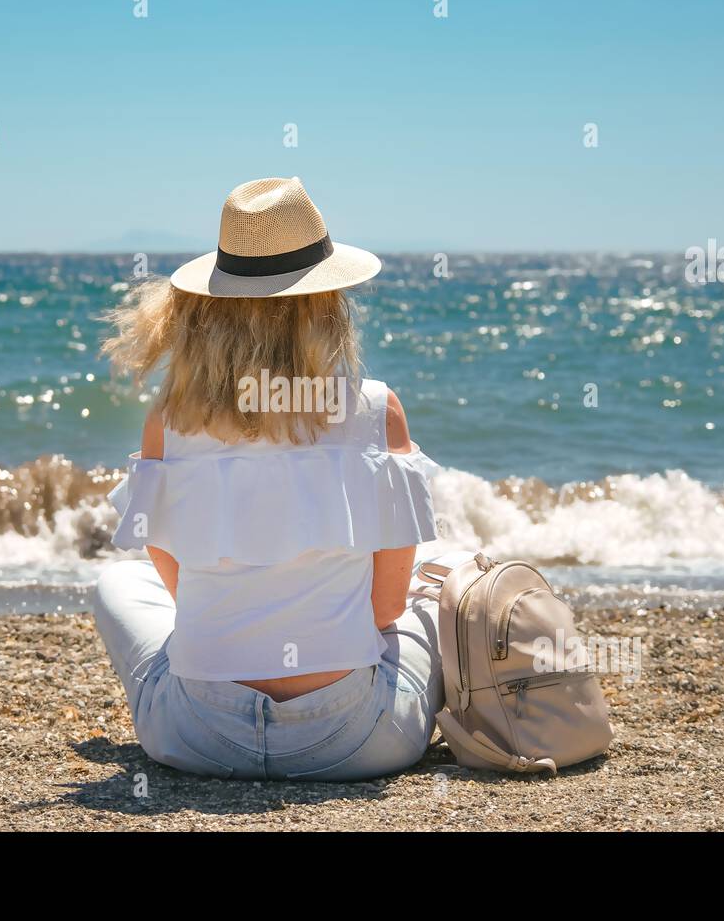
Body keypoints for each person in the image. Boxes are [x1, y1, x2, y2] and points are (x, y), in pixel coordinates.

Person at [95, 176, 469, 780]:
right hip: (355, 743)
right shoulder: (376, 410)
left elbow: (175, 580)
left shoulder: (168, 420)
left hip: (194, 736)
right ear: (327, 306)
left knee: (119, 583)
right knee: (443, 583)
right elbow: (385, 608)